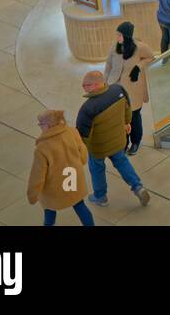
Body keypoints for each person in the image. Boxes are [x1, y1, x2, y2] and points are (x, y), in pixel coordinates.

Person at [76, 70, 150, 207]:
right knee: (122, 162)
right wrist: (126, 123)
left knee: (97, 169)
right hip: (117, 141)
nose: (83, 88)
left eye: (86, 85)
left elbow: (82, 135)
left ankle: (100, 196)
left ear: (96, 85)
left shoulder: (87, 108)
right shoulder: (118, 90)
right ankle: (138, 187)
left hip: (98, 148)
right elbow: (128, 109)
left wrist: (79, 151)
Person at [27, 109, 93, 226]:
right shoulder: (72, 132)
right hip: (72, 178)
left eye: (40, 124)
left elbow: (38, 175)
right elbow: (83, 154)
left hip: (54, 187)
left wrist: (32, 194)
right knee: (80, 206)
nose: (39, 126)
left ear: (47, 125)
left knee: (49, 212)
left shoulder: (42, 148)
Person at [103, 21, 154, 155]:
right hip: (116, 89)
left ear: (126, 36)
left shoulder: (139, 47)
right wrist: (104, 83)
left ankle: (135, 141)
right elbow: (108, 66)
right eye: (117, 35)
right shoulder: (114, 47)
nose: (117, 38)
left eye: (119, 35)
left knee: (134, 116)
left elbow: (150, 57)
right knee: (120, 117)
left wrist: (138, 67)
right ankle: (123, 142)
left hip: (133, 89)